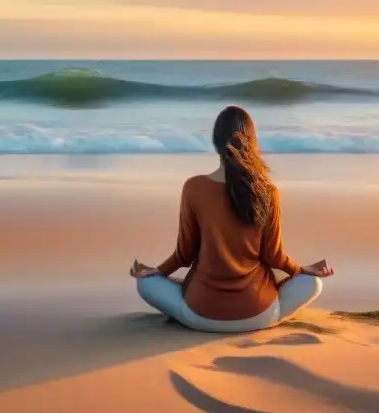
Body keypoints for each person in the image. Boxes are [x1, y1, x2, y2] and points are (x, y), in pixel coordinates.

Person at [130, 105, 333, 333]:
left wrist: (159, 273)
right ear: (253, 143)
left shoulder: (194, 188)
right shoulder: (268, 191)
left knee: (145, 283)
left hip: (201, 316)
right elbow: (273, 256)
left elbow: (184, 255)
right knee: (313, 283)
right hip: (260, 315)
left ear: (215, 143)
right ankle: (271, 313)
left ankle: (181, 296)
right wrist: (299, 270)